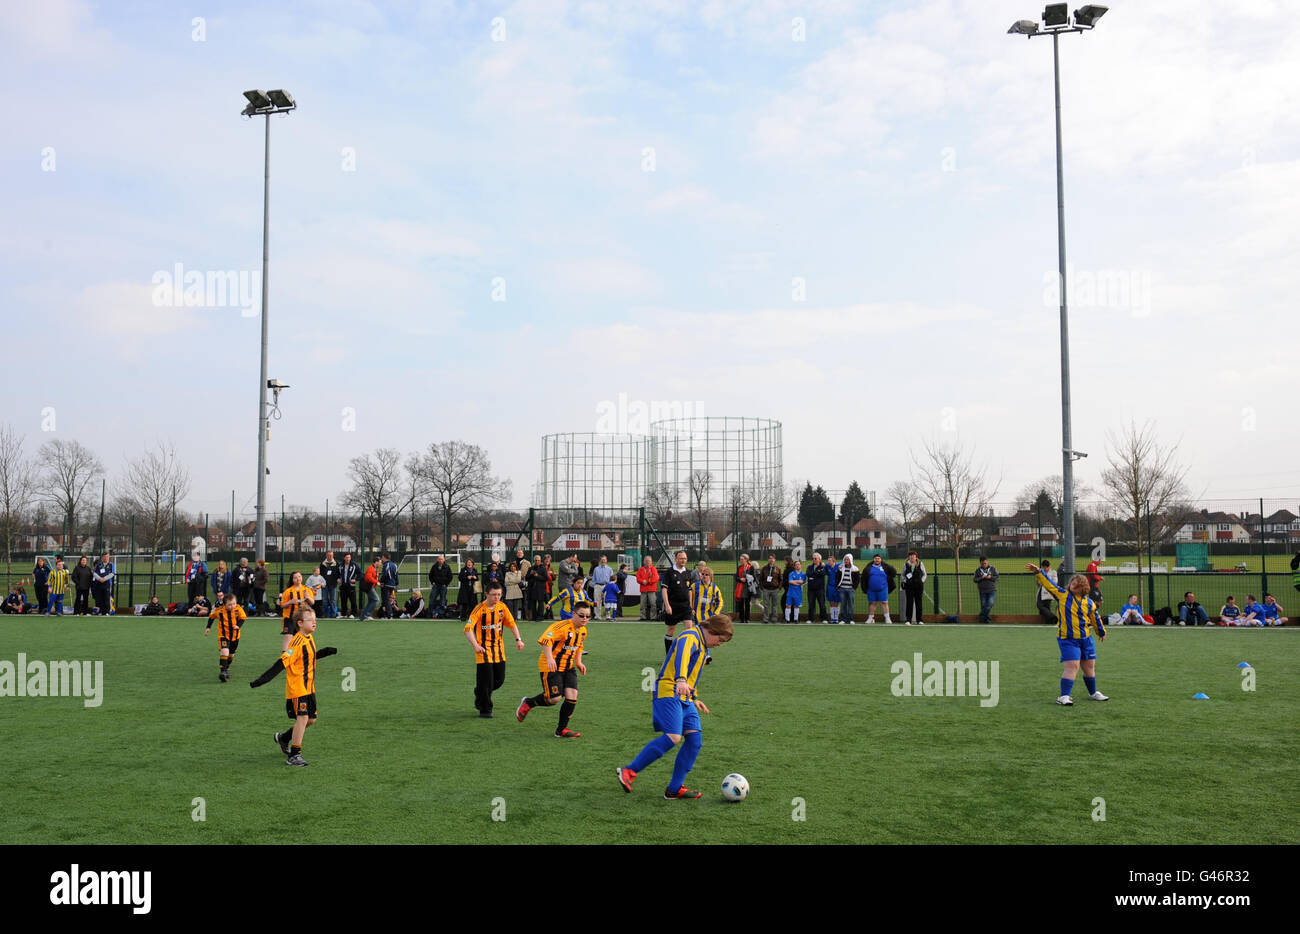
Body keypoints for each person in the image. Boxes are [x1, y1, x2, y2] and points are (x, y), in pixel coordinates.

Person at [616, 614, 734, 799]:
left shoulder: (702, 647)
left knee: (695, 741)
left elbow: (692, 671)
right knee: (673, 736)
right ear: (711, 631)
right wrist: (680, 679)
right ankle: (629, 771)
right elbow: (682, 656)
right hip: (668, 689)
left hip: (685, 695)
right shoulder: (690, 636)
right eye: (720, 640)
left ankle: (674, 788)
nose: (720, 644)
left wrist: (694, 697)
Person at [249, 605, 339, 767]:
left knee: (311, 720)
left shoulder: (309, 638)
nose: (314, 622)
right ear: (299, 623)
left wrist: (325, 652)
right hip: (298, 688)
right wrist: (263, 679)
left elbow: (307, 657)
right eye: (310, 620)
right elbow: (282, 662)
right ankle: (294, 755)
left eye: (315, 619)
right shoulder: (296, 643)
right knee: (303, 718)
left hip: (309, 687)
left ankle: (284, 738)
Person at [1026, 562, 1108, 705]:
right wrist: (1038, 572)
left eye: (1077, 584)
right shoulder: (1062, 595)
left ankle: (1093, 692)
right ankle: (1063, 696)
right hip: (1068, 639)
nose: (1073, 585)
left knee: (1089, 667)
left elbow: (1095, 618)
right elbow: (1049, 584)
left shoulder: (1089, 603)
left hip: (1086, 639)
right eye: (1073, 582)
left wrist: (1101, 632)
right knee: (1073, 666)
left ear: (1083, 588)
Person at [515, 603, 589, 738]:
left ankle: (561, 730)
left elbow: (579, 646)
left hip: (568, 667)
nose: (585, 619)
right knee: (554, 699)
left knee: (572, 695)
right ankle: (528, 703)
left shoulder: (583, 631)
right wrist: (550, 658)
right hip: (550, 666)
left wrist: (578, 662)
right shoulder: (561, 627)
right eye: (582, 615)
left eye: (588, 616)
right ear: (574, 614)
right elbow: (546, 640)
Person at [464, 582, 525, 718]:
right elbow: (468, 630)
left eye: (499, 595)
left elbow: (512, 624)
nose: (497, 597)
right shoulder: (479, 609)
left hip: (499, 650)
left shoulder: (502, 607)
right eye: (494, 595)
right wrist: (476, 646)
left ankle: (480, 692)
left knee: (499, 681)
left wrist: (518, 639)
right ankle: (485, 710)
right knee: (486, 682)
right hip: (483, 652)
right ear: (486, 594)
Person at [205, 592, 247, 682]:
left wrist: (238, 626)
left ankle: (226, 668)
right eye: (229, 604)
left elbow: (243, 618)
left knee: (231, 655)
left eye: (234, 604)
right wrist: (208, 628)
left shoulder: (238, 609)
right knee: (225, 651)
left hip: (235, 637)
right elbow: (211, 617)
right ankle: (222, 672)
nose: (232, 606)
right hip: (223, 635)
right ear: (224, 604)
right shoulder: (219, 611)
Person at [660, 550, 693, 653]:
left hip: (685, 607)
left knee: (689, 628)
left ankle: (686, 653)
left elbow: (690, 590)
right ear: (676, 559)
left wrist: (691, 606)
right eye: (681, 558)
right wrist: (667, 605)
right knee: (671, 630)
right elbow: (664, 590)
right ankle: (669, 654)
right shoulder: (669, 573)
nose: (683, 560)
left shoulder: (688, 572)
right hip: (673, 606)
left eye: (685, 558)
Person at [278, 570, 316, 650]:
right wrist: (290, 602)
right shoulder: (288, 591)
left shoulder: (306, 590)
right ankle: (284, 659)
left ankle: (294, 656)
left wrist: (308, 597)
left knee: (299, 640)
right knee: (288, 637)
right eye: (295, 577)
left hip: (302, 619)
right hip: (289, 618)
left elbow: (312, 602)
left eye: (299, 576)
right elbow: (282, 605)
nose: (298, 579)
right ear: (292, 580)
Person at [862, 554, 895, 625]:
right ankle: (870, 618)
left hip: (883, 589)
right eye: (876, 558)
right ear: (873, 559)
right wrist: (864, 588)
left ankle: (887, 618)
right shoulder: (868, 567)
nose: (877, 560)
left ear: (881, 559)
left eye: (878, 558)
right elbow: (864, 578)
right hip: (871, 589)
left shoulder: (885, 567)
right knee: (872, 603)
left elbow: (893, 572)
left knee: (884, 603)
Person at [689, 565, 724, 632]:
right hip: (695, 617)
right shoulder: (694, 586)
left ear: (710, 576)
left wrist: (715, 614)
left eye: (706, 574)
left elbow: (720, 602)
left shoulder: (714, 588)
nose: (704, 576)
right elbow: (688, 598)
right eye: (702, 574)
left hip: (709, 617)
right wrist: (690, 608)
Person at [901, 551, 926, 625]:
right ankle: (908, 620)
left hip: (919, 586)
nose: (912, 557)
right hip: (909, 587)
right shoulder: (906, 564)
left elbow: (925, 574)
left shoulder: (920, 564)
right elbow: (902, 575)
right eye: (910, 556)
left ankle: (919, 620)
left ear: (916, 557)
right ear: (908, 557)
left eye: (913, 556)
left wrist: (922, 581)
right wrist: (905, 581)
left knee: (919, 603)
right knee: (909, 603)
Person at [973, 556, 999, 624]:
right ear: (980, 563)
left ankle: (981, 616)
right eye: (982, 564)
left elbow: (997, 577)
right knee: (983, 606)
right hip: (982, 591)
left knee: (990, 603)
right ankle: (987, 620)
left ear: (987, 562)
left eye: (985, 563)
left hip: (992, 590)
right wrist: (981, 577)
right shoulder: (978, 570)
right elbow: (975, 580)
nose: (984, 565)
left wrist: (990, 577)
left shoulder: (993, 569)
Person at [806, 553, 829, 623]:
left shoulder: (823, 567)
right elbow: (808, 573)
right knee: (811, 605)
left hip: (820, 589)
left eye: (815, 558)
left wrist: (815, 573)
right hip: (811, 590)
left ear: (819, 559)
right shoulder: (809, 567)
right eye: (813, 558)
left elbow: (822, 573)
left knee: (822, 605)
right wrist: (817, 572)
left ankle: (824, 619)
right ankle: (811, 619)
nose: (814, 560)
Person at [759, 556, 782, 623]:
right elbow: (760, 579)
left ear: (774, 560)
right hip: (766, 589)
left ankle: (774, 619)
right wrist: (762, 587)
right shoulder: (764, 568)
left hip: (775, 589)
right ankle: (766, 619)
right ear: (768, 559)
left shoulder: (778, 568)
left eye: (772, 558)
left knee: (774, 605)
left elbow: (781, 579)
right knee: (766, 605)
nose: (771, 560)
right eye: (770, 558)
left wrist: (779, 588)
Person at [591, 556, 615, 621]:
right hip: (598, 586)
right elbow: (593, 579)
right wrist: (595, 585)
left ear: (606, 560)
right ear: (600, 561)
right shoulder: (596, 569)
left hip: (606, 586)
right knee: (597, 601)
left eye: (604, 560)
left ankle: (608, 616)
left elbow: (612, 579)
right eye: (602, 560)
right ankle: (597, 616)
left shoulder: (609, 569)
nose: (603, 561)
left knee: (607, 601)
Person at [1034, 559, 1057, 624]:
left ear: (1049, 566)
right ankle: (1050, 620)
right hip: (1041, 591)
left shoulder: (1053, 572)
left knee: (1045, 606)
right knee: (1040, 605)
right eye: (1043, 567)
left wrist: (1045, 581)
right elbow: (1038, 582)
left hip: (1049, 591)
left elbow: (1055, 582)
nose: (1045, 569)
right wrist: (1038, 582)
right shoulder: (1041, 572)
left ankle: (1052, 619)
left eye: (1046, 567)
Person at [837, 555, 858, 624]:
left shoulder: (855, 569)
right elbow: (837, 578)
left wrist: (854, 588)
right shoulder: (841, 568)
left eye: (847, 560)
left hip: (850, 589)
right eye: (845, 559)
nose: (846, 561)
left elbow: (857, 580)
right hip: (842, 589)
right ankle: (843, 619)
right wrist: (838, 570)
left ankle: (851, 619)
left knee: (851, 604)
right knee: (843, 604)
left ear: (850, 560)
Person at [338, 553, 360, 618]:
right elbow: (337, 574)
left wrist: (355, 580)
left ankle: (353, 614)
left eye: (349, 557)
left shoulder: (354, 565)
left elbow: (360, 574)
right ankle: (344, 614)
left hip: (351, 586)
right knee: (343, 601)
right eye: (347, 557)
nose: (348, 559)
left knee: (353, 601)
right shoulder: (340, 565)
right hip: (343, 586)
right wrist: (338, 579)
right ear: (344, 558)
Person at [320, 551, 340, 619]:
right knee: (324, 600)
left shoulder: (337, 563)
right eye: (329, 555)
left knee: (333, 600)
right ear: (326, 556)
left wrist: (338, 579)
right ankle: (324, 614)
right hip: (324, 585)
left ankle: (333, 614)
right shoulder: (322, 564)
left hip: (333, 585)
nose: (330, 557)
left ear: (333, 555)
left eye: (331, 555)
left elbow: (338, 573)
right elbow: (321, 574)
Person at [827, 556, 842, 624]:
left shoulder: (838, 565)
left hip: (837, 587)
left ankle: (836, 618)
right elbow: (823, 564)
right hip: (830, 587)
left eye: (830, 560)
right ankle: (832, 618)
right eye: (828, 561)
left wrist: (841, 565)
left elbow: (844, 562)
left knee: (837, 603)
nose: (828, 562)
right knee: (831, 603)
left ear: (834, 561)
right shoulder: (828, 566)